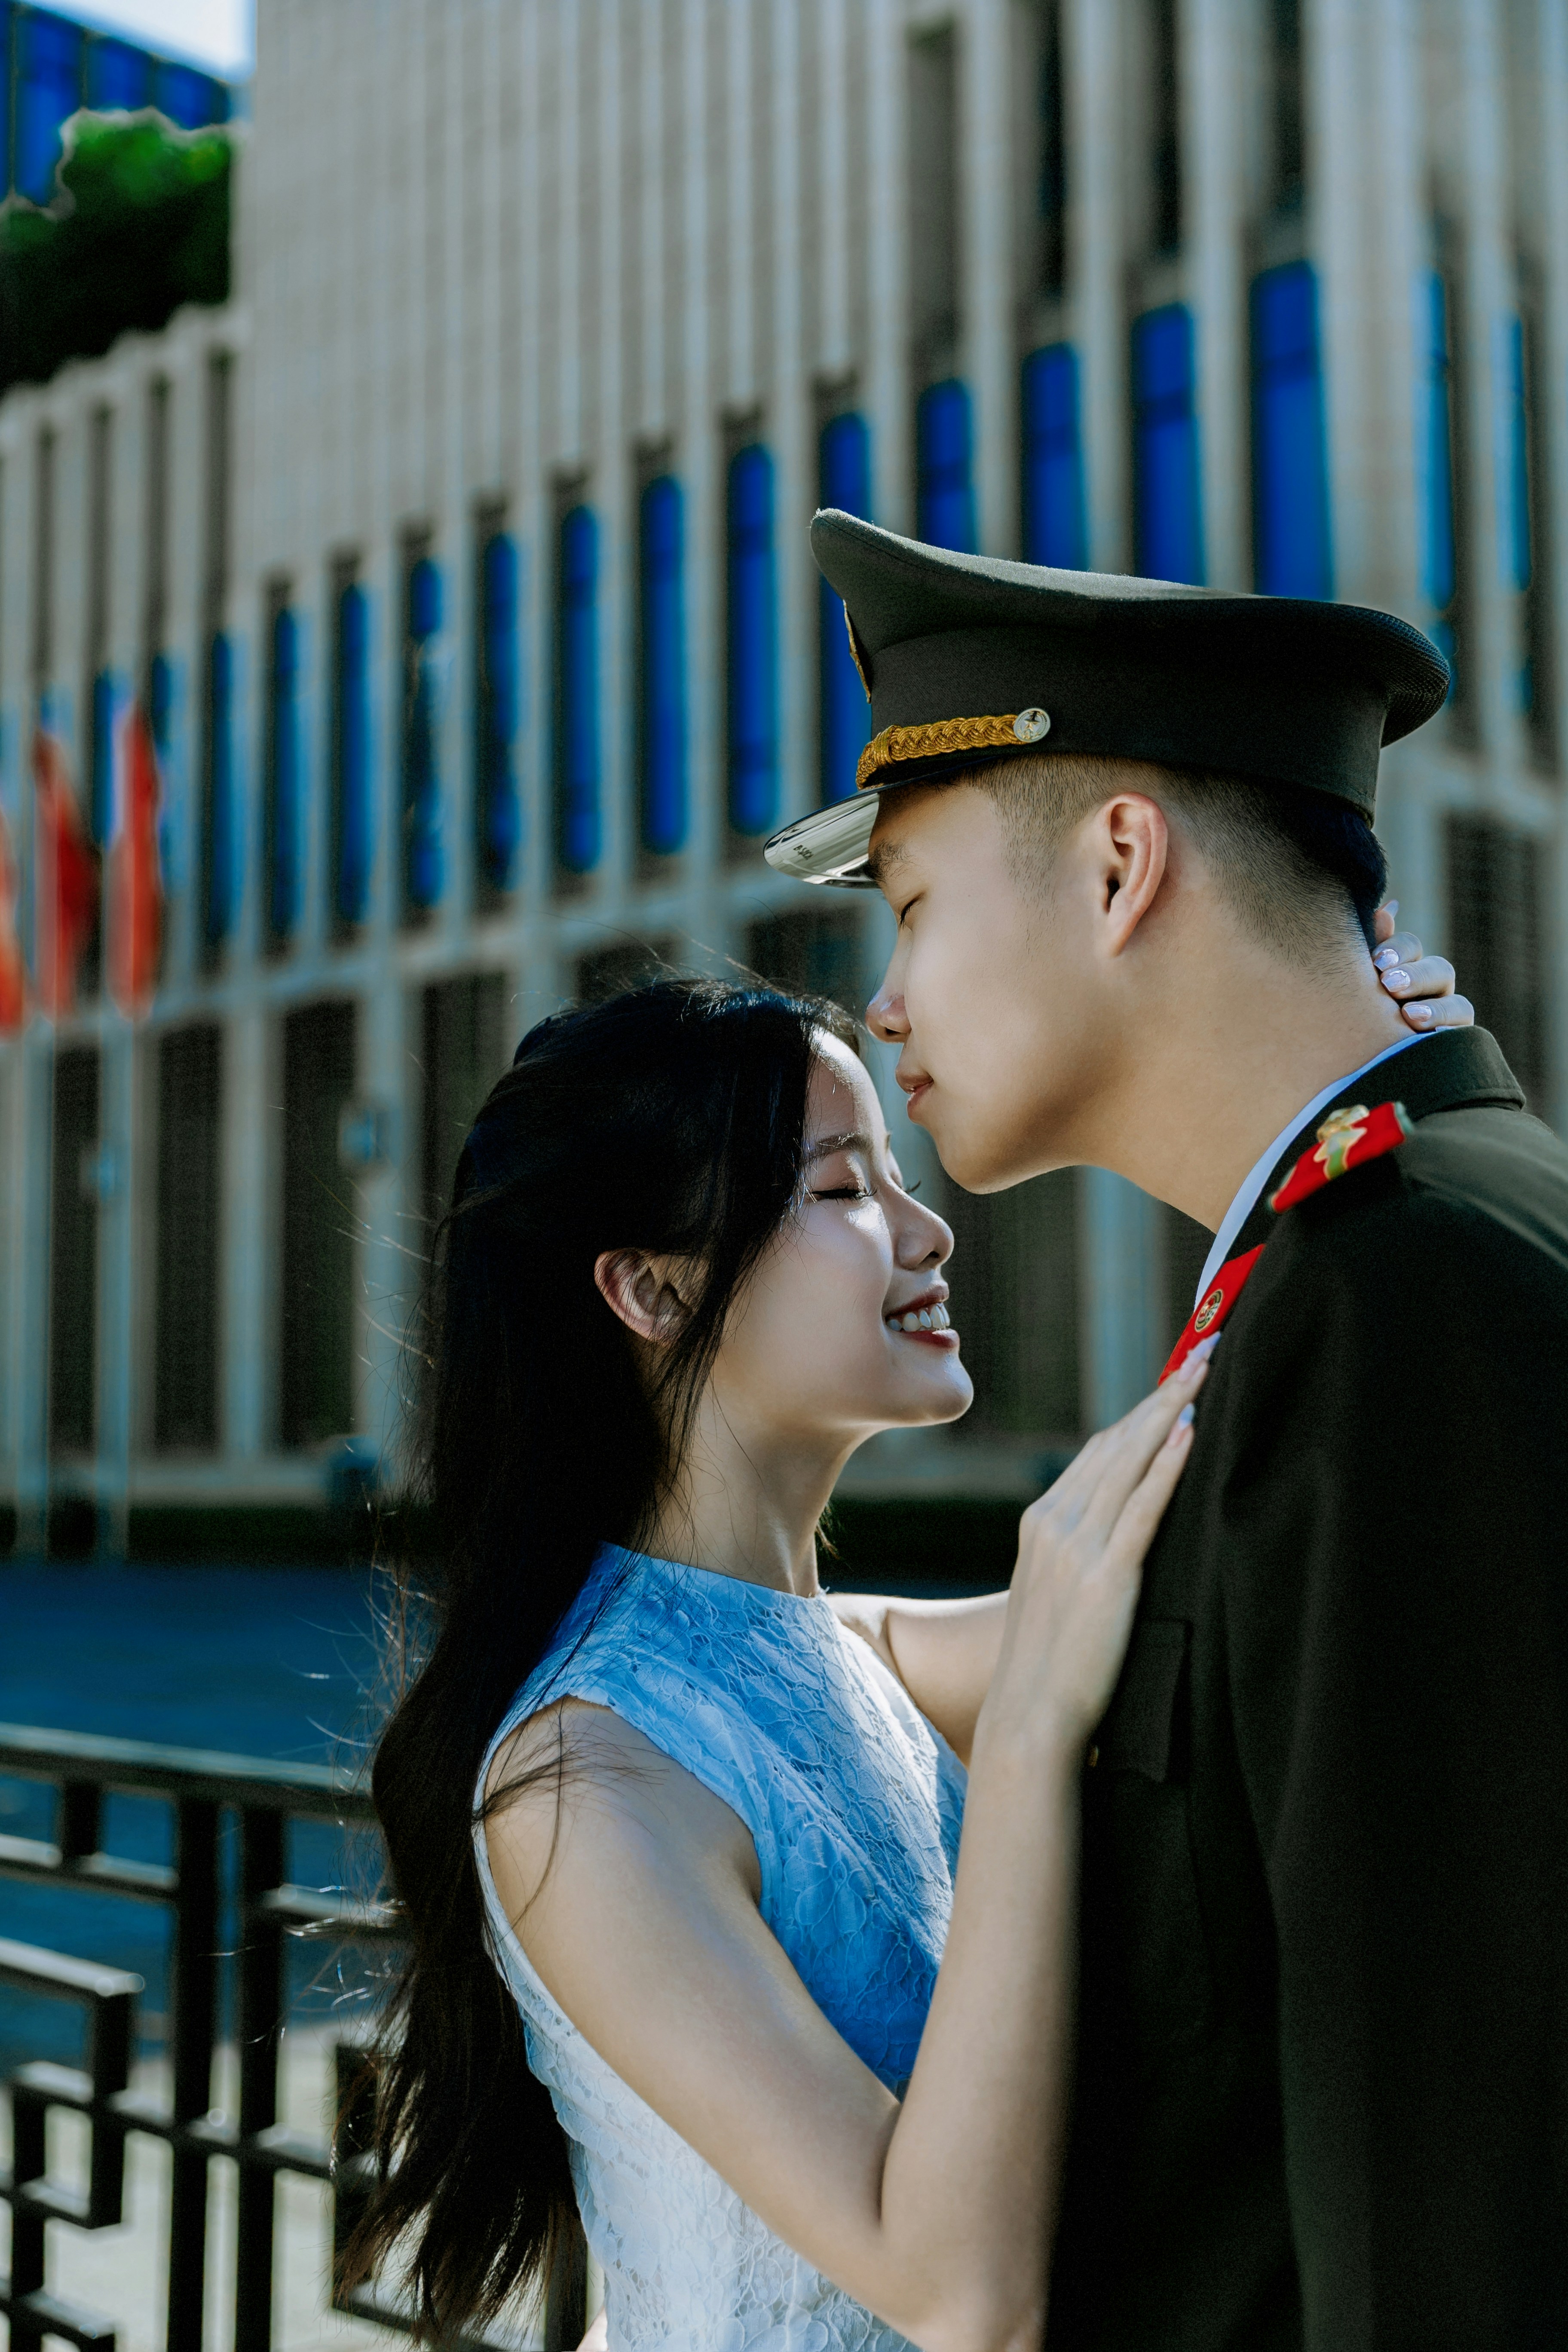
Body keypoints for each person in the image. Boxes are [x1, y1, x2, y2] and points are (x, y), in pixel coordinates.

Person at [764, 511, 1568, 2351]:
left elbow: (1454, 2163)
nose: (885, 1003)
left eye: (912, 908)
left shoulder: (1405, 1297)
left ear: (1120, 863)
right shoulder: (1360, 1265)